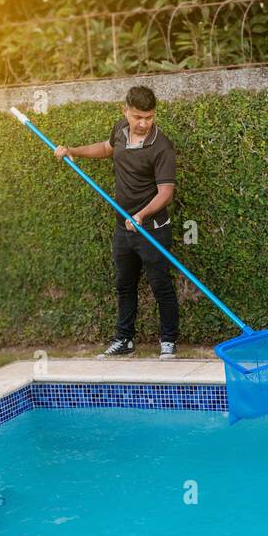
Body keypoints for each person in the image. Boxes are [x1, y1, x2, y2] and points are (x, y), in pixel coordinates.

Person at [54, 85, 178, 358]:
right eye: (137, 117)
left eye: (149, 117)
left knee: (161, 285)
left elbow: (165, 193)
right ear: (126, 112)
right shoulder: (120, 129)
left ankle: (168, 341)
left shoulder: (162, 147)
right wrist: (73, 150)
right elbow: (106, 149)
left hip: (152, 229)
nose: (143, 123)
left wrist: (141, 215)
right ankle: (124, 341)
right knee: (124, 285)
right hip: (123, 226)